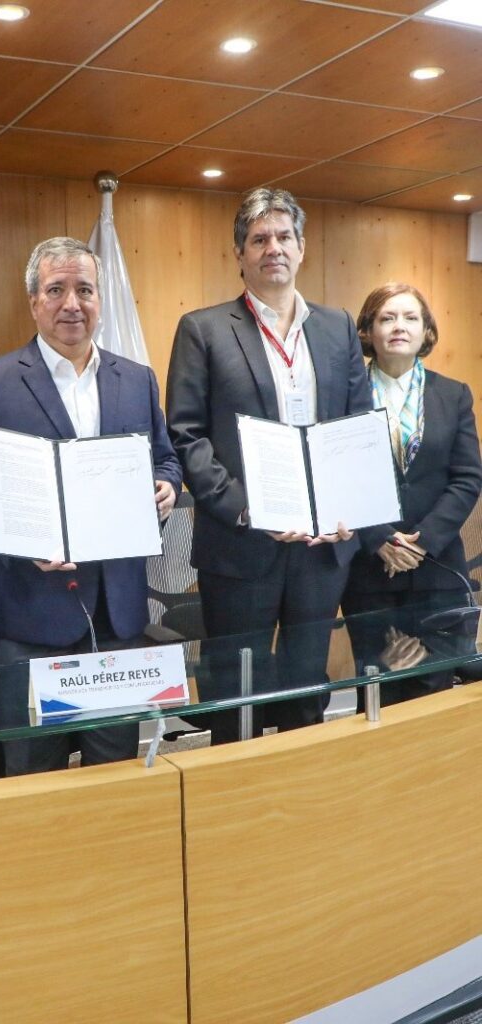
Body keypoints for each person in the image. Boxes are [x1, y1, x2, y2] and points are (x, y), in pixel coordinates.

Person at [0, 236, 182, 775]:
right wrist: (20, 538)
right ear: (34, 301)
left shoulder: (137, 379)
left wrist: (167, 486)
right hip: (29, 609)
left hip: (119, 612)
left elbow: (166, 459)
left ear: (100, 299)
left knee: (115, 766)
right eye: (56, 290)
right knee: (34, 769)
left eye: (84, 290)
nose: (71, 304)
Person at [166, 188, 373, 741]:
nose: (272, 248)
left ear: (302, 248)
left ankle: (300, 811)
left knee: (308, 689)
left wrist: (348, 506)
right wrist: (245, 509)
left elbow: (356, 429)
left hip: (322, 545)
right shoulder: (203, 329)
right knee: (237, 696)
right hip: (241, 543)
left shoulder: (336, 327)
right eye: (259, 239)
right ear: (240, 254)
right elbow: (186, 436)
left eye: (284, 237)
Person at [342, 283, 482, 705]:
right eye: (386, 318)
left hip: (438, 567)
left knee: (433, 691)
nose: (398, 326)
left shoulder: (453, 394)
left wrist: (422, 542)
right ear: (367, 331)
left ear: (426, 332)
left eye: (410, 318)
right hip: (369, 570)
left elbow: (467, 477)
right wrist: (379, 537)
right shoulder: (344, 397)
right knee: (380, 686)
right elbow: (338, 477)